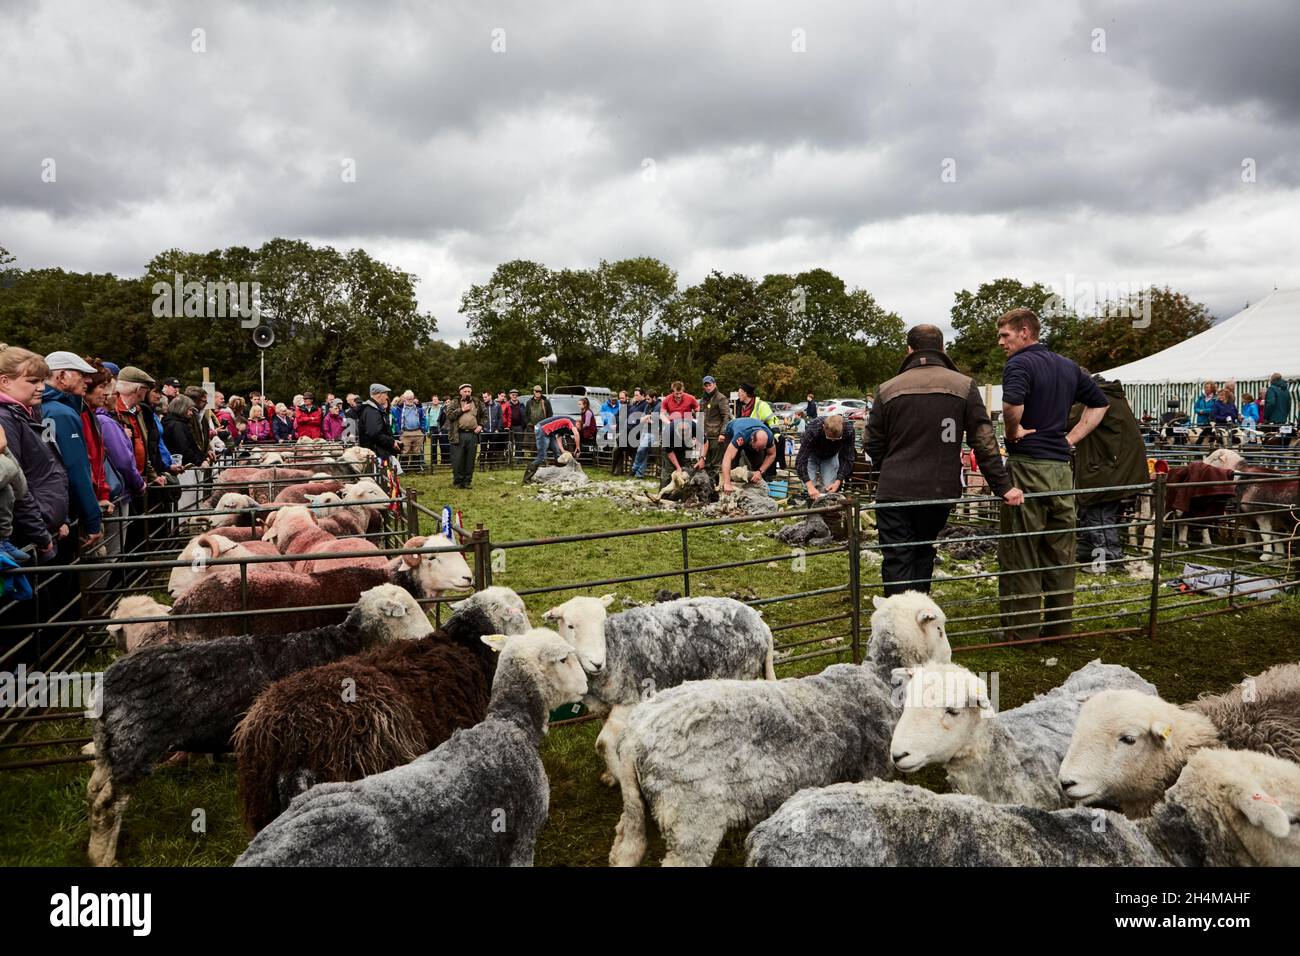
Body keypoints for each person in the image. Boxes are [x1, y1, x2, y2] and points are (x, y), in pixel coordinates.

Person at [865, 325, 1018, 595]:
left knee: (897, 557)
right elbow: (983, 440)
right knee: (924, 550)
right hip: (938, 490)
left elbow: (872, 442)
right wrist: (1002, 486)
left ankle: (899, 626)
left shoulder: (886, 389)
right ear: (942, 348)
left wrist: (888, 467)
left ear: (909, 349)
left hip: (895, 490)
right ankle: (920, 618)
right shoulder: (963, 385)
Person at [996, 307, 1108, 641]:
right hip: (1061, 471)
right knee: (1060, 550)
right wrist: (1069, 439)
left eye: (1005, 335)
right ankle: (1059, 629)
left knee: (1023, 548)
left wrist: (1013, 431)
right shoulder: (1068, 366)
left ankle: (1023, 632)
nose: (1001, 342)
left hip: (1028, 466)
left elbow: (1010, 404)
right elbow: (1100, 404)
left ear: (1025, 332)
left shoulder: (1019, 364)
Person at [1069, 375, 1149, 573]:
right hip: (1110, 466)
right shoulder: (1110, 396)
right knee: (1090, 511)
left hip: (1108, 469)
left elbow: (1067, 419)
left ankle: (1108, 562)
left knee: (1100, 514)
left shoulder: (1097, 397)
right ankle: (1087, 553)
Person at [0, 345, 61, 559]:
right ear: (4, 381)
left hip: (39, 525)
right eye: (33, 381)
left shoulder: (25, 413)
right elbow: (15, 481)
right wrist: (41, 531)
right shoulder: (5, 418)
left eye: (43, 380)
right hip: (24, 534)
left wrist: (56, 519)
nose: (42, 387)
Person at [42, 351, 104, 549]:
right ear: (61, 376)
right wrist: (92, 518)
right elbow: (75, 468)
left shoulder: (40, 407)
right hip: (63, 514)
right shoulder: (62, 413)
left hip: (49, 512)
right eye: (81, 373)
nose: (87, 380)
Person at [794, 414, 857, 501]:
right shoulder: (813, 429)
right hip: (812, 454)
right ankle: (809, 510)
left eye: (837, 439)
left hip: (831, 456)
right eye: (829, 437)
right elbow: (801, 460)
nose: (832, 441)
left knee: (829, 487)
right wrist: (810, 485)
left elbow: (848, 457)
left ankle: (825, 510)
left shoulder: (849, 430)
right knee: (809, 486)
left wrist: (838, 481)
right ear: (824, 427)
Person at [736, 382, 783, 478]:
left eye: (740, 391)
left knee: (758, 468)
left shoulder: (761, 405)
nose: (738, 393)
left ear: (745, 393)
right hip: (747, 442)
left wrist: (776, 433)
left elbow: (772, 419)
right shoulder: (740, 406)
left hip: (759, 443)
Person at [719, 416, 775, 493]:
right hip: (732, 430)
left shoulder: (769, 436)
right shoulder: (741, 435)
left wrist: (760, 471)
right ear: (752, 439)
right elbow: (727, 458)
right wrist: (727, 483)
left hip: (751, 431)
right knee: (732, 466)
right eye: (757, 447)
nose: (758, 450)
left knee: (758, 463)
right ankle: (727, 488)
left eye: (761, 448)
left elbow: (771, 454)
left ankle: (758, 493)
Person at [446, 383, 486, 489]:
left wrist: (481, 425)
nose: (467, 393)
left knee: (470, 459)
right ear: (460, 392)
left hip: (473, 434)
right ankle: (458, 482)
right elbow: (449, 416)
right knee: (458, 460)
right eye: (465, 391)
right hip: (458, 434)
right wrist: (462, 410)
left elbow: (484, 415)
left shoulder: (477, 402)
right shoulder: (455, 402)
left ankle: (467, 481)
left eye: (469, 391)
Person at [524, 414, 582, 482]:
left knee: (557, 454)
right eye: (578, 428)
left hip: (550, 433)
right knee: (541, 457)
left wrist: (563, 450)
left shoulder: (565, 428)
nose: (575, 430)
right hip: (542, 429)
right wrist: (578, 448)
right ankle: (526, 478)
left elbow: (559, 438)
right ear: (578, 423)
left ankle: (558, 476)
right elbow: (576, 434)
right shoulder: (570, 421)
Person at [695, 375, 733, 478]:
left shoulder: (721, 398)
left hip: (717, 437)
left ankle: (717, 489)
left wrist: (723, 433)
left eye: (710, 385)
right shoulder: (703, 400)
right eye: (706, 385)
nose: (708, 387)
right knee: (706, 464)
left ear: (714, 384)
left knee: (716, 465)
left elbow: (727, 417)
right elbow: (701, 418)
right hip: (706, 437)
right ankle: (708, 489)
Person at [358, 384, 403, 460]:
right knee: (383, 471)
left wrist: (392, 441)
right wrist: (392, 442)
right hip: (376, 454)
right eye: (385, 394)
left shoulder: (375, 410)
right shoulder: (371, 411)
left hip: (379, 452)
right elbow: (375, 434)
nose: (386, 397)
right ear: (379, 395)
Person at [163, 395, 206, 468]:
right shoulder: (177, 425)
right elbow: (184, 449)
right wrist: (200, 462)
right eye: (189, 410)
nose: (191, 413)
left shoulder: (174, 423)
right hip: (184, 468)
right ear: (182, 409)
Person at [391, 390, 427, 461]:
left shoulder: (418, 408)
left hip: (418, 432)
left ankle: (415, 468)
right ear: (404, 399)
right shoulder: (399, 409)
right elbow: (396, 421)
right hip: (405, 432)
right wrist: (399, 431)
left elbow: (423, 419)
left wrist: (422, 429)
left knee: (417, 451)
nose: (411, 400)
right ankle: (405, 469)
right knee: (405, 451)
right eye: (409, 399)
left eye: (412, 399)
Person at [506, 389, 526, 461]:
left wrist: (523, 425)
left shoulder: (522, 405)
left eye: (516, 395)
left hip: (519, 427)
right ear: (510, 395)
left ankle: (518, 460)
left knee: (519, 443)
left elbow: (525, 416)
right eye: (513, 395)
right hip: (510, 427)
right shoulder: (507, 404)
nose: (514, 396)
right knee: (510, 443)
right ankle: (510, 460)